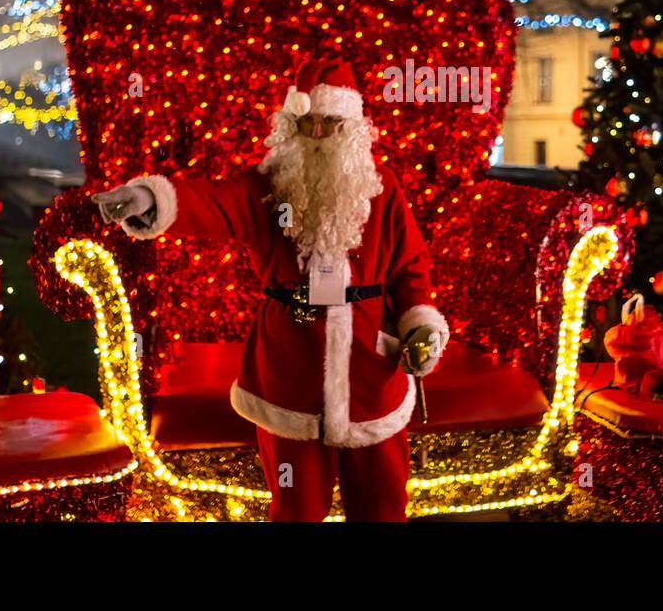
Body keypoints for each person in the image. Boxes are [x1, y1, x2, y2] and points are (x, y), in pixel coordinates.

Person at [93, 59, 448, 521]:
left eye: (331, 123)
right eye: (307, 122)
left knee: (382, 508)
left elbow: (410, 269)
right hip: (290, 370)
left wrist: (420, 324)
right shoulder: (266, 189)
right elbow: (212, 202)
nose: (318, 133)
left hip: (370, 369)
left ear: (353, 126)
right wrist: (152, 198)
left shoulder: (381, 189)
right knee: (296, 508)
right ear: (290, 125)